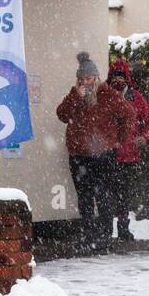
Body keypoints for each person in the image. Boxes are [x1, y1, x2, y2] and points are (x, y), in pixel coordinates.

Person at [57, 51, 135, 251]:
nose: (85, 82)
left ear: (97, 77)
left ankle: (104, 235)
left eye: (89, 78)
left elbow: (129, 113)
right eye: (81, 79)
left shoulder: (108, 95)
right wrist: (75, 96)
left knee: (103, 196)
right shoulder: (75, 95)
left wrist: (120, 140)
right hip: (79, 155)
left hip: (103, 154)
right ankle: (88, 234)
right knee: (84, 197)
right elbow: (62, 115)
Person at [107, 59, 149, 242]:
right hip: (107, 154)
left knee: (123, 195)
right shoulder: (105, 96)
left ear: (127, 80)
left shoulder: (135, 98)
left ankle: (122, 229)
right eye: (115, 79)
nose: (118, 83)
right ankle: (105, 230)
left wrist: (145, 137)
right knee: (105, 195)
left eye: (121, 79)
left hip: (128, 156)